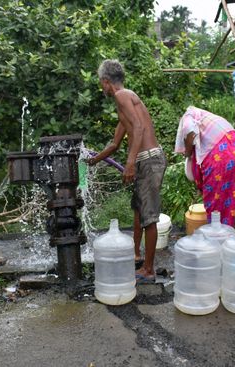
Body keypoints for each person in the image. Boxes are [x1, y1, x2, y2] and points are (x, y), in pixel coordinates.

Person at [88, 59, 166, 282]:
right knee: (138, 211)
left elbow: (140, 128)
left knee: (149, 217)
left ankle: (148, 270)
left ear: (106, 81)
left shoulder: (122, 96)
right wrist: (92, 161)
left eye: (101, 83)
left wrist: (130, 163)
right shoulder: (125, 103)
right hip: (144, 161)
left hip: (148, 161)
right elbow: (114, 144)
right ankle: (136, 254)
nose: (102, 87)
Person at [174, 106, 235, 227]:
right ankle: (229, 239)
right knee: (230, 205)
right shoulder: (211, 120)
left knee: (215, 208)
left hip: (222, 159)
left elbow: (189, 129)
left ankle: (217, 241)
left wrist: (188, 152)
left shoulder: (189, 115)